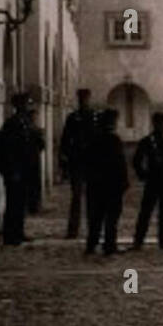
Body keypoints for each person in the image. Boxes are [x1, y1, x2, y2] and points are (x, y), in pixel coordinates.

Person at [132, 111, 163, 249]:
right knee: (146, 212)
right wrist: (143, 174)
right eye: (161, 123)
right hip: (152, 180)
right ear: (155, 124)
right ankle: (138, 240)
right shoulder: (148, 141)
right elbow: (137, 160)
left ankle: (162, 240)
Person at [86, 108, 128, 255]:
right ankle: (110, 245)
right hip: (111, 184)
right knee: (111, 217)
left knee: (95, 216)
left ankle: (91, 244)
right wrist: (124, 182)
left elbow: (88, 162)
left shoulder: (93, 138)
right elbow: (120, 163)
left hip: (96, 184)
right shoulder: (114, 139)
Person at [59, 88, 97, 240]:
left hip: (92, 162)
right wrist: (65, 160)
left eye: (86, 98)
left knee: (92, 197)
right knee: (76, 197)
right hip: (77, 162)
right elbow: (65, 140)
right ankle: (73, 230)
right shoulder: (72, 118)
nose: (83, 101)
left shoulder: (94, 117)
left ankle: (92, 228)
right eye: (81, 99)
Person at [0, 92, 34, 245]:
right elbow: (8, 150)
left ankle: (18, 232)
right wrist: (13, 170)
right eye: (25, 104)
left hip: (23, 169)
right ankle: (10, 235)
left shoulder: (23, 122)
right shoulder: (12, 124)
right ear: (18, 105)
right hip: (15, 171)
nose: (27, 106)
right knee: (13, 203)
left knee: (20, 202)